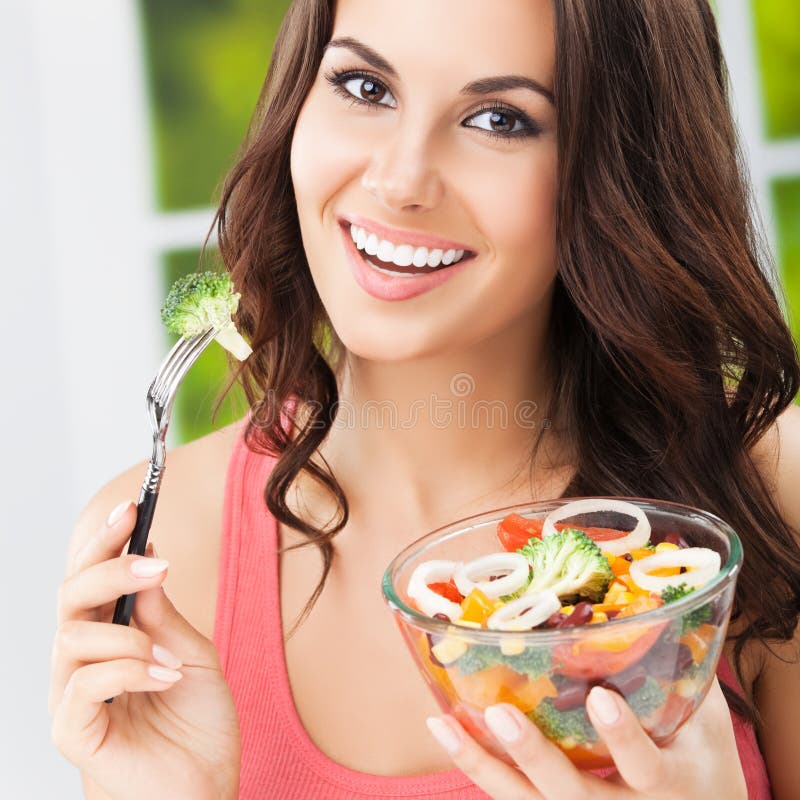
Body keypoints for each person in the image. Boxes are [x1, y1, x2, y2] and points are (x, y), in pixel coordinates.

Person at [50, 0, 800, 798]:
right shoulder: (163, 546)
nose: (400, 180)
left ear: (621, 163)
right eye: (365, 87)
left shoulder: (764, 488)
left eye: (500, 119)